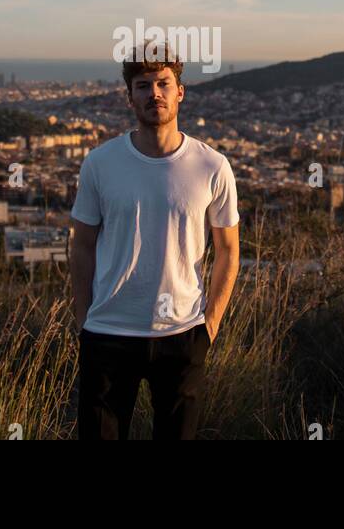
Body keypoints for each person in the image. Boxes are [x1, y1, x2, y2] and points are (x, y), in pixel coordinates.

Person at [69, 43, 241, 440]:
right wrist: (84, 321)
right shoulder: (100, 163)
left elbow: (229, 250)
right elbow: (82, 244)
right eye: (143, 86)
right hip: (109, 332)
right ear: (130, 96)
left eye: (163, 83)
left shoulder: (212, 166)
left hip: (181, 335)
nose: (154, 94)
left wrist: (209, 326)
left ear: (180, 91)